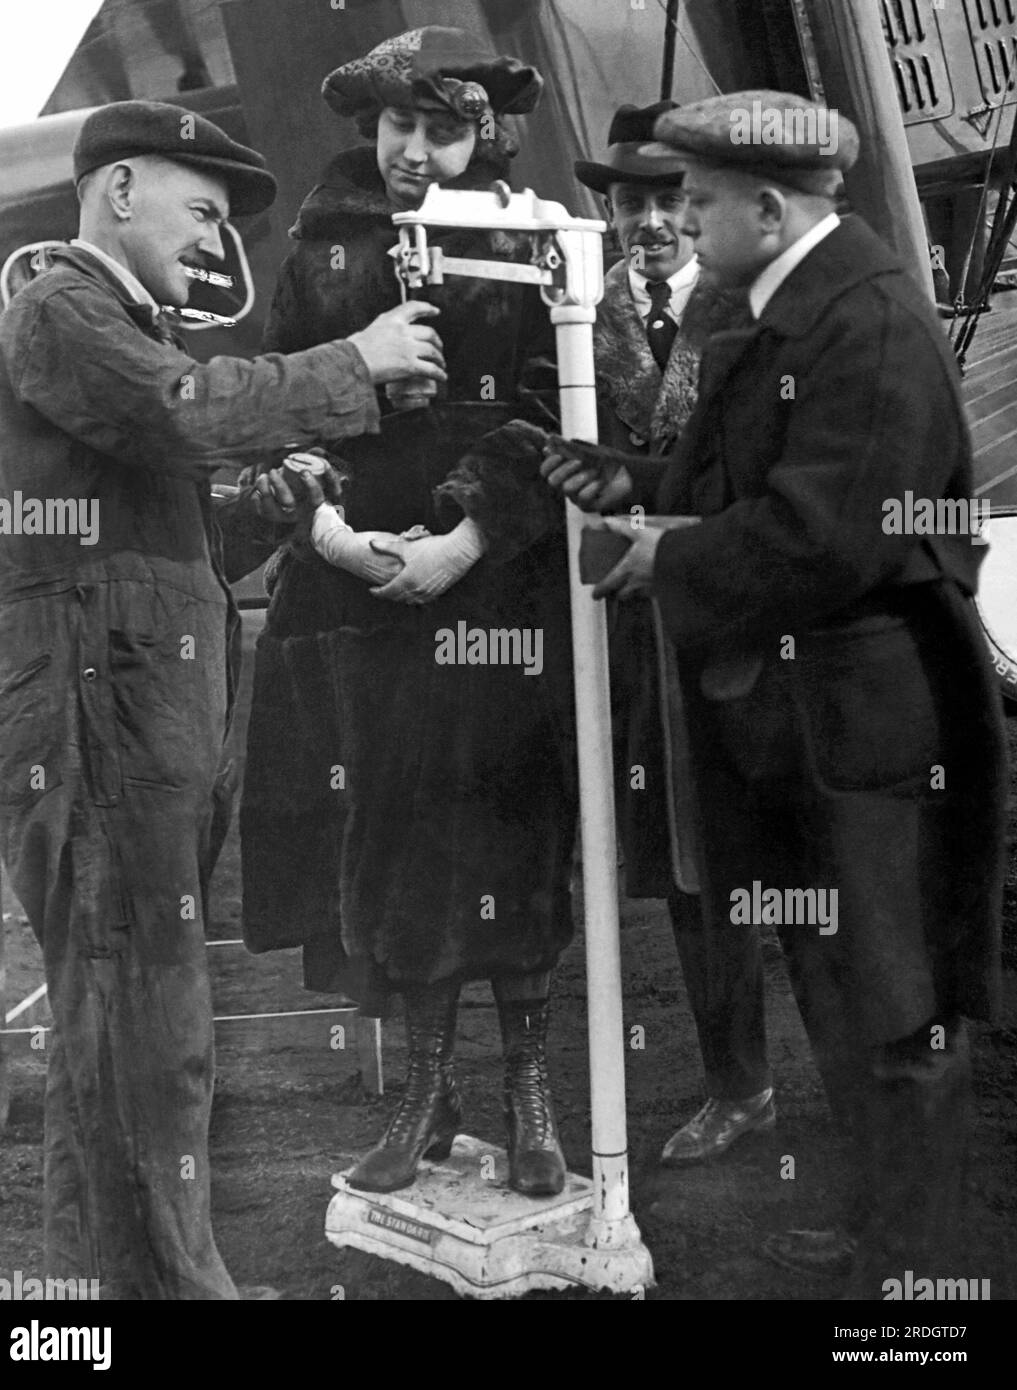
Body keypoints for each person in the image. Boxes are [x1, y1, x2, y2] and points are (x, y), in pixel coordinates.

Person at [0, 98, 447, 1299]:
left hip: (121, 706)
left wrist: (261, 509)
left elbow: (153, 548)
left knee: (113, 1036)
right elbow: (187, 413)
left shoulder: (105, 330)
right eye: (199, 211)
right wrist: (356, 364)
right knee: (154, 1030)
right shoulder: (63, 308)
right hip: (99, 719)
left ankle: (96, 1304)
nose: (211, 243)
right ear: (118, 189)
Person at [553, 90, 1005, 1296]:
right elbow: (753, 479)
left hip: (866, 710)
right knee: (834, 976)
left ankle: (918, 1277)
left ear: (768, 204)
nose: (681, 220)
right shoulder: (791, 305)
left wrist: (668, 557)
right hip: (811, 708)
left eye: (696, 200)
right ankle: (873, 1231)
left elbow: (829, 533)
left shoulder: (862, 322)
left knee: (897, 1002)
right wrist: (632, 477)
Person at [240, 27, 575, 1198]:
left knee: (514, 826)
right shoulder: (324, 246)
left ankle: (532, 1093)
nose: (414, 151)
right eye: (396, 127)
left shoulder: (529, 239)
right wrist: (331, 530)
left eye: (441, 129)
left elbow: (558, 403)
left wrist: (472, 532)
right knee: (397, 837)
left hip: (499, 581)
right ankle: (427, 1097)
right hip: (364, 582)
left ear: (482, 133)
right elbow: (279, 395)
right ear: (369, 127)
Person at [570, 101, 774, 1166]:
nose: (650, 222)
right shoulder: (575, 323)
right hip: (631, 638)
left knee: (778, 851)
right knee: (681, 866)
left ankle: (834, 1082)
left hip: (744, 625)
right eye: (629, 201)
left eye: (668, 200)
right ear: (604, 210)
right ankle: (733, 1081)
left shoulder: (751, 314)